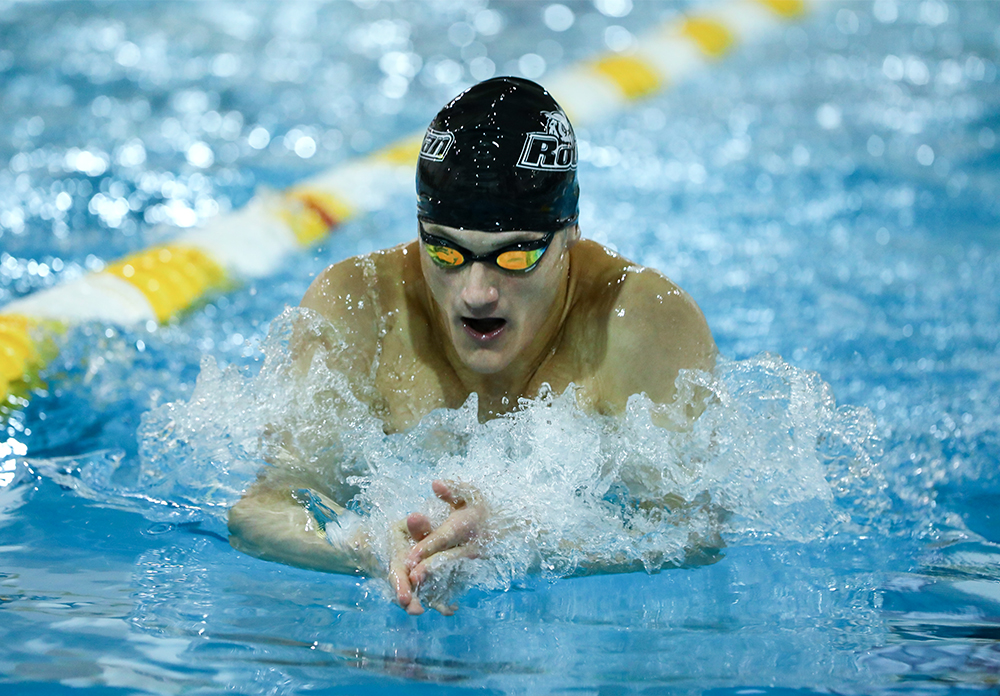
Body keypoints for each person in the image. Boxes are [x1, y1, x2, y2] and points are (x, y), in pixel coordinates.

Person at [227, 77, 717, 615]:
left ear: (570, 230)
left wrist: (520, 539)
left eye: (514, 256)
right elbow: (266, 505)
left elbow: (692, 529)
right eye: (445, 250)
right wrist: (365, 545)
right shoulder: (361, 306)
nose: (477, 293)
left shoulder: (641, 323)